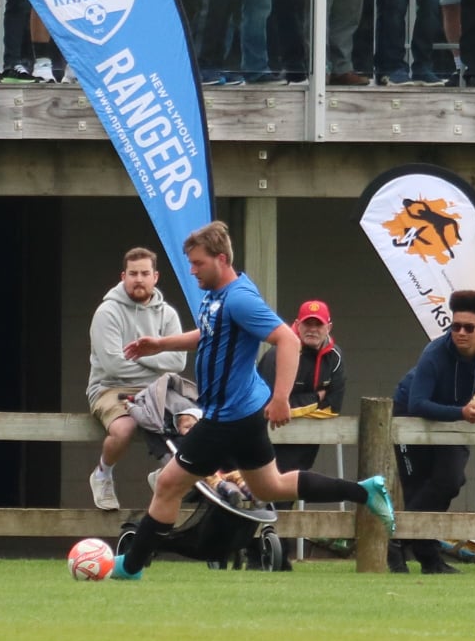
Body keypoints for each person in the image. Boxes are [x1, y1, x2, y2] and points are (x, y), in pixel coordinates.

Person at [109, 222, 394, 579]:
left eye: (198, 263)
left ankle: (131, 566)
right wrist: (161, 343)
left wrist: (281, 399)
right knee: (269, 486)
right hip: (240, 415)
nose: (193, 270)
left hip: (227, 418)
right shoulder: (217, 295)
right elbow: (210, 334)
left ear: (221, 259)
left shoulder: (240, 298)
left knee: (168, 484)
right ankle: (365, 492)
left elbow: (286, 340)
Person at [388, 290, 475, 575]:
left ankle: (394, 541)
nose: (461, 333)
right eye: (455, 326)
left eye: (469, 327)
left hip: (452, 418)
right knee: (417, 486)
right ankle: (427, 559)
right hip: (410, 415)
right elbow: (418, 403)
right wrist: (462, 413)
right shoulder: (434, 353)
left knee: (449, 480)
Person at [85, 248, 186, 511]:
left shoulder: (168, 315)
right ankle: (102, 474)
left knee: (191, 422)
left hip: (158, 388)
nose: (138, 279)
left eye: (144, 273)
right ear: (123, 276)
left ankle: (167, 475)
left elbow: (178, 362)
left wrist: (139, 355)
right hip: (110, 388)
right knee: (125, 429)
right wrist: (156, 363)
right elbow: (113, 365)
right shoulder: (107, 312)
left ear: (155, 276)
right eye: (133, 274)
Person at [263, 300, 347, 473]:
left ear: (328, 328)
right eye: (308, 323)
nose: (313, 329)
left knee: (290, 494)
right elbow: (270, 409)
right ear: (297, 325)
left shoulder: (335, 358)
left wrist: (290, 405)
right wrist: (317, 397)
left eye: (319, 324)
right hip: (267, 441)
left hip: (306, 444)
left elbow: (332, 408)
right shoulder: (277, 354)